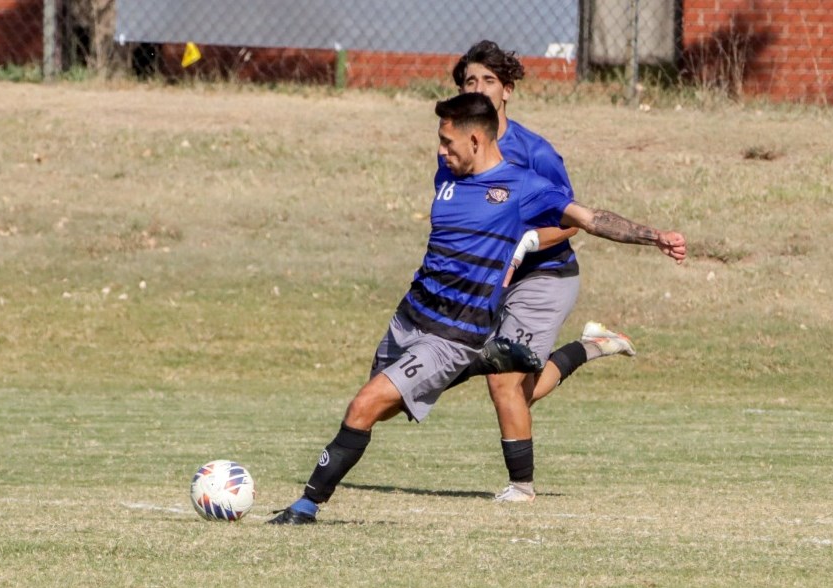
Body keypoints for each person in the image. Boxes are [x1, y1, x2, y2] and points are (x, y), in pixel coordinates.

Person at [267, 92, 686, 525]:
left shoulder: (524, 188)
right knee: (381, 407)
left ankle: (306, 506)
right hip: (410, 317)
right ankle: (476, 364)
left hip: (453, 334)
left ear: (474, 140)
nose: (440, 150)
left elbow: (590, 218)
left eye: (448, 142)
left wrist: (653, 236)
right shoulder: (446, 177)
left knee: (363, 406)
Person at [450, 41, 643, 503]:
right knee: (520, 388)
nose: (478, 89)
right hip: (495, 282)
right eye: (470, 82)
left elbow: (571, 222)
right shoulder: (455, 148)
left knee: (505, 382)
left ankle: (522, 488)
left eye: (489, 81)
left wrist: (528, 240)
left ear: (507, 91)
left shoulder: (535, 152)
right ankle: (589, 347)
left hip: (546, 276)